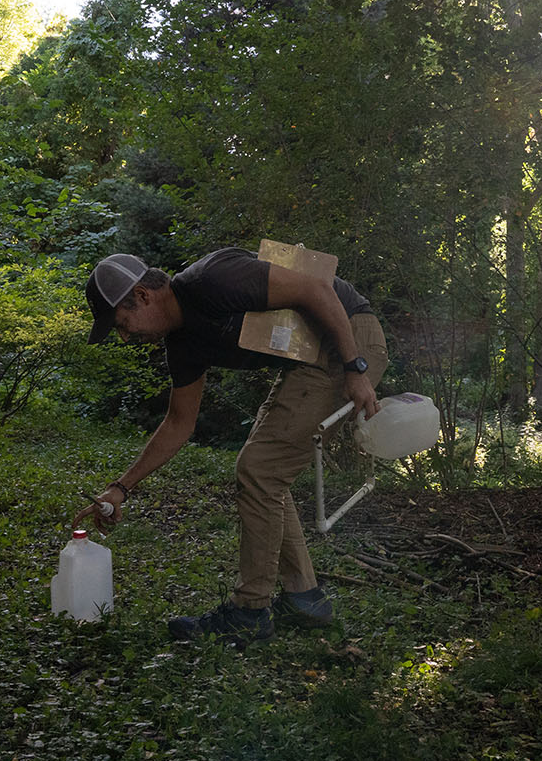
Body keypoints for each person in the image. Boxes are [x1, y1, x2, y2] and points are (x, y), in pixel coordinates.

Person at [74, 247, 387, 647]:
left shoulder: (212, 280)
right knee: (263, 472)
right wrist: (121, 488)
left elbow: (317, 290)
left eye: (122, 322)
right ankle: (304, 598)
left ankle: (250, 613)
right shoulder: (183, 345)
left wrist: (355, 368)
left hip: (346, 341)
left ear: (143, 295)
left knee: (260, 470)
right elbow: (178, 424)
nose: (125, 335)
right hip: (306, 357)